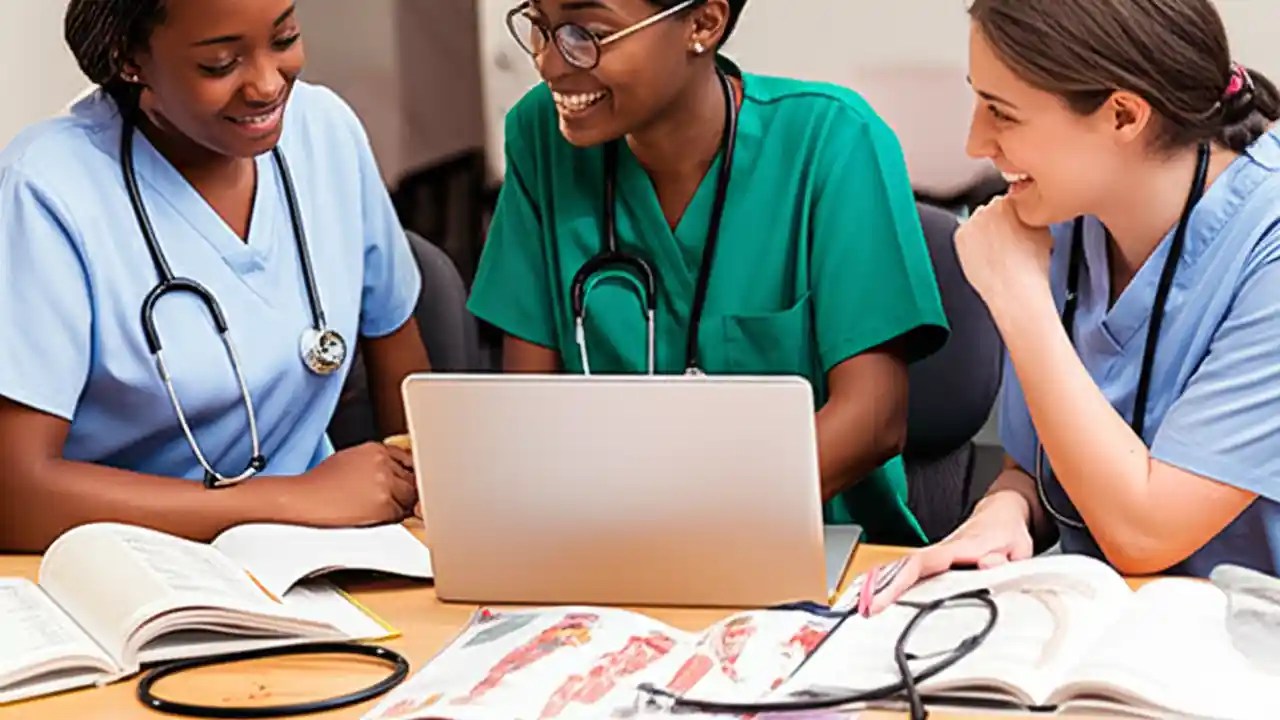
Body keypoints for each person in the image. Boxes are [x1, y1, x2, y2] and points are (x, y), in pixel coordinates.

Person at [466, 0, 950, 546]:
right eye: (541, 27)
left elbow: (874, 419)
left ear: (703, 24)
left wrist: (675, 535)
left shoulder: (831, 142)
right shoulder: (541, 136)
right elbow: (527, 415)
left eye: (587, 33)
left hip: (814, 553)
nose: (551, 64)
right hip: (601, 559)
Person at [860, 0, 1280, 614]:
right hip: (1102, 627)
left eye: (1003, 113)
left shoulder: (1264, 244)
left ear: (1123, 115)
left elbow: (1144, 535)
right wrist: (1006, 509)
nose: (977, 142)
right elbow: (1036, 465)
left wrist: (1018, 296)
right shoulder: (1067, 210)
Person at [0, 0, 431, 552]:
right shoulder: (47, 190)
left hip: (313, 561)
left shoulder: (325, 134)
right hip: (121, 567)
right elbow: (14, 495)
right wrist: (285, 500)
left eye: (284, 39)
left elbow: (406, 384)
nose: (267, 84)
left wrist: (421, 523)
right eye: (221, 64)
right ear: (128, 58)